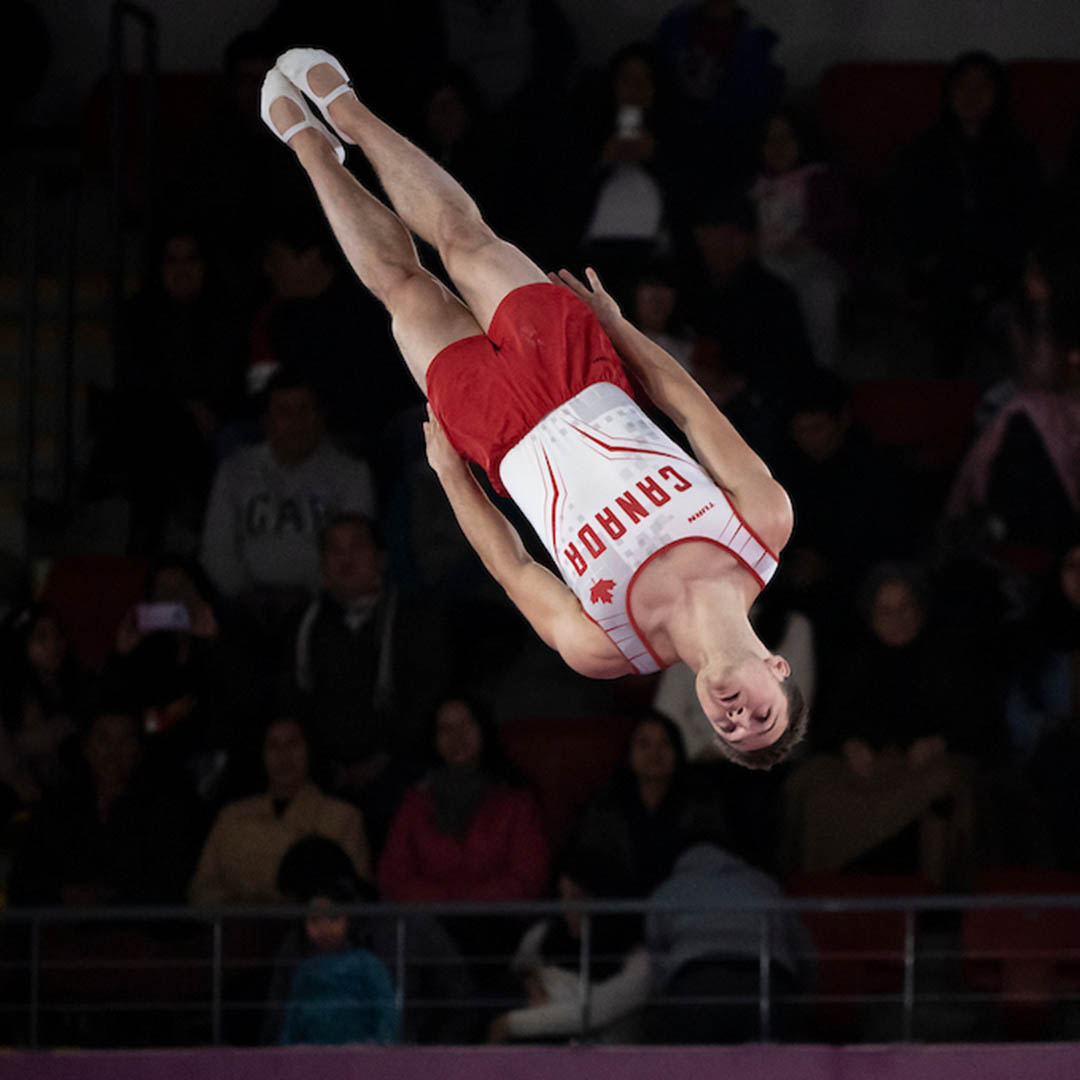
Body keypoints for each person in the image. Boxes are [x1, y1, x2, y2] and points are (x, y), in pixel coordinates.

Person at [259, 46, 805, 769]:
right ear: (778, 671)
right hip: (581, 377)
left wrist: (452, 477)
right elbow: (690, 405)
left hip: (503, 442)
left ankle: (308, 149)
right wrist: (616, 324)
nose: (736, 717)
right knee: (462, 237)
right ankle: (348, 112)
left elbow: (512, 566)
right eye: (760, 717)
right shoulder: (765, 525)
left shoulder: (606, 648)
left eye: (730, 733)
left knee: (404, 289)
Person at [199, 364, 375, 631]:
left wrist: (312, 595)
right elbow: (216, 549)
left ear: (321, 416)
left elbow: (357, 555)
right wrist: (245, 595)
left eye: (305, 410)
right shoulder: (235, 470)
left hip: (325, 608)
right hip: (243, 609)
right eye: (284, 412)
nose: (296, 422)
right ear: (266, 420)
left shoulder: (351, 474)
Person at [188, 715, 371, 904]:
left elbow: (357, 895)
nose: (283, 755)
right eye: (273, 746)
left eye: (293, 744)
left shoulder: (344, 817)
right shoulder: (231, 817)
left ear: (310, 750)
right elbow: (202, 888)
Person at [488, 843, 648, 1044]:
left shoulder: (640, 961)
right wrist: (529, 981)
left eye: (576, 897)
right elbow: (518, 970)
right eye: (562, 896)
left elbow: (593, 1013)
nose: (566, 909)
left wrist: (509, 1023)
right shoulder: (544, 935)